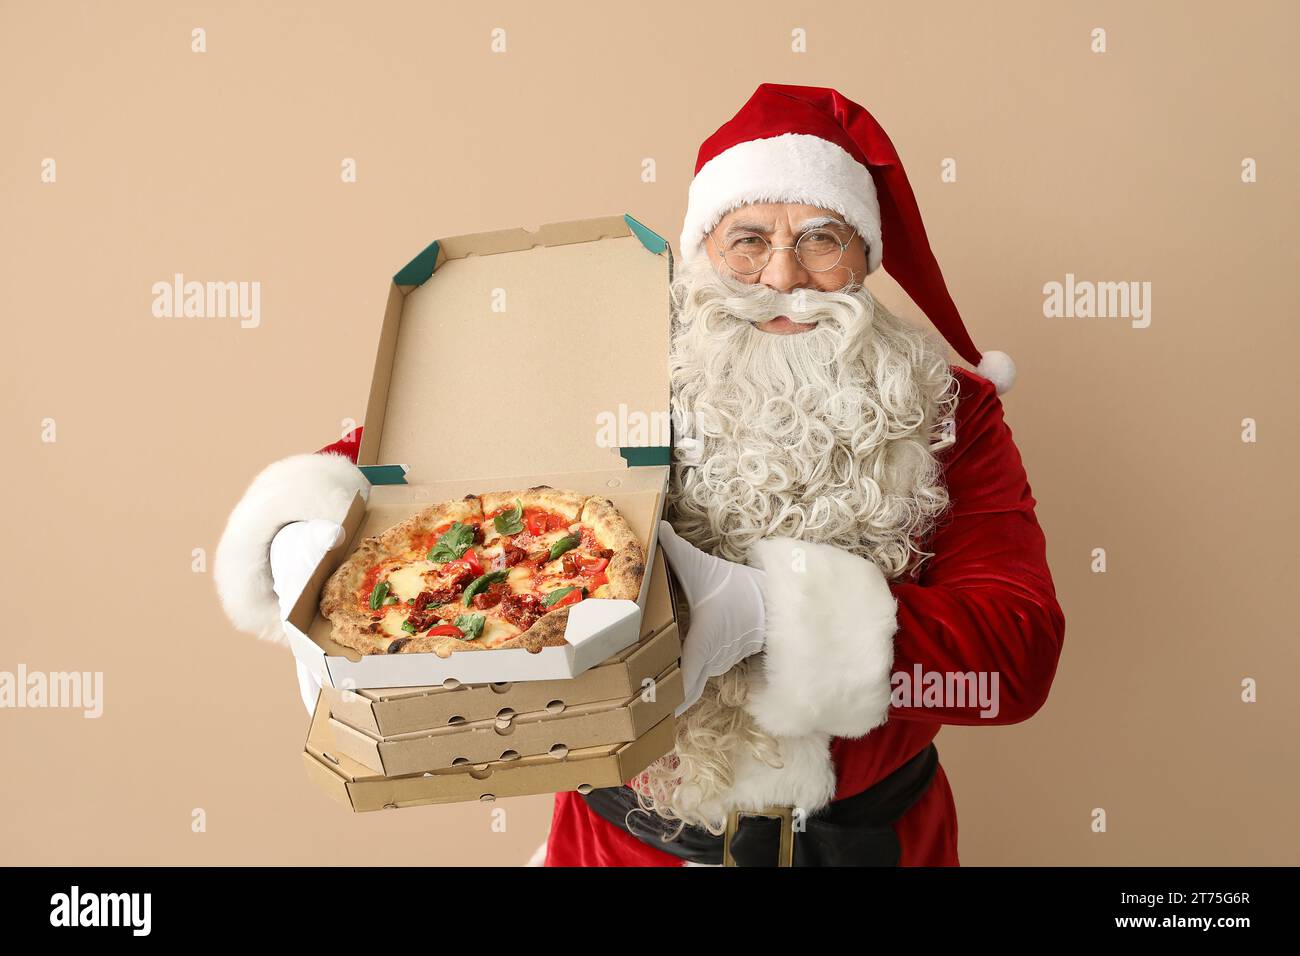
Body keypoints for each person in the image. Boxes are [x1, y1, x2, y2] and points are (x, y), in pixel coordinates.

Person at [214, 83, 1065, 867]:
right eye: (747, 242)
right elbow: (402, 456)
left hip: (868, 846)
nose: (781, 278)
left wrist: (769, 612)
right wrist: (303, 534)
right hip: (625, 846)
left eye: (820, 240)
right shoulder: (608, 360)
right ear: (701, 251)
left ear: (865, 257)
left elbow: (1014, 660)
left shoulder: (948, 407)